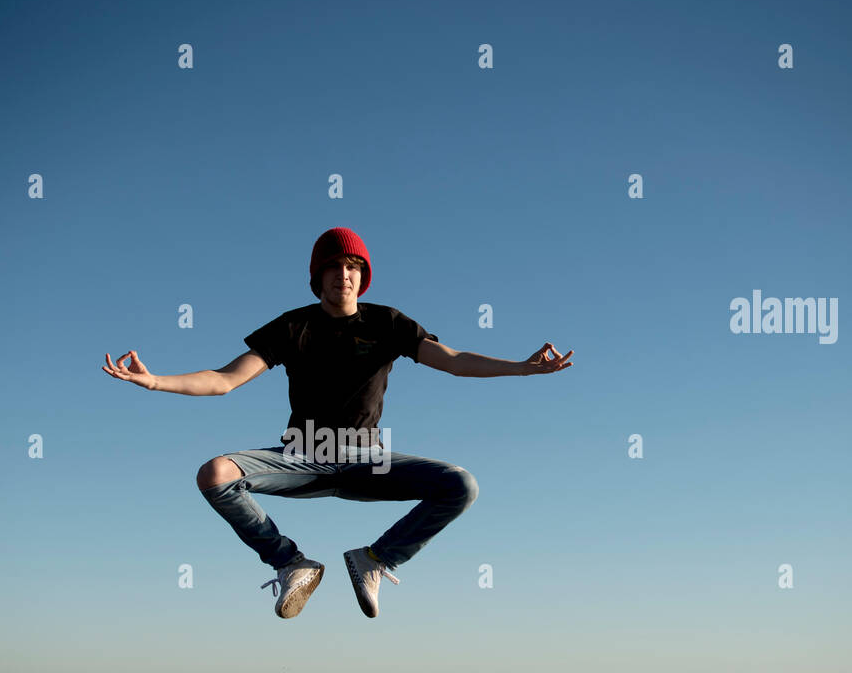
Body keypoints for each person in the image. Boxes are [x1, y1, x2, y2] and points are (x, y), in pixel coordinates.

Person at [102, 227, 573, 619]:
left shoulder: (387, 323)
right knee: (215, 473)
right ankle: (291, 563)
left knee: (460, 485)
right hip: (300, 456)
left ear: (362, 277)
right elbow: (225, 379)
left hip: (367, 459)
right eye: (334, 267)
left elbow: (452, 361)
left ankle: (375, 559)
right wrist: (156, 382)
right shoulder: (292, 327)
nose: (344, 276)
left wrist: (524, 367)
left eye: (353, 268)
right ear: (318, 276)